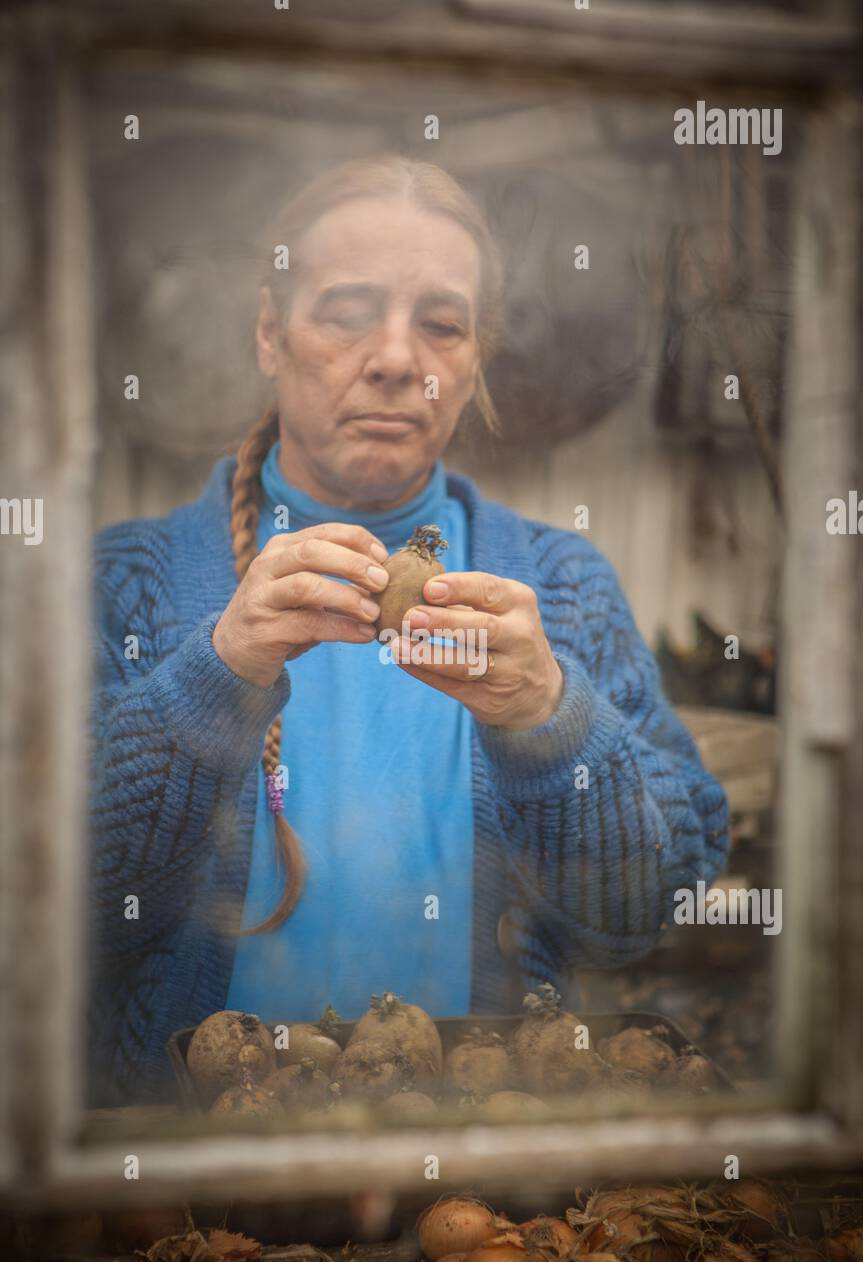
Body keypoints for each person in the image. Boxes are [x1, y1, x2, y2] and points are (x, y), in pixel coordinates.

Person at [88, 154, 729, 1105]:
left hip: (478, 1186)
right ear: (270, 334)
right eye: (346, 311)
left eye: (442, 322)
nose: (396, 359)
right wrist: (214, 677)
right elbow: (57, 909)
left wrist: (552, 720)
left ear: (475, 360)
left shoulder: (562, 585)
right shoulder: (129, 582)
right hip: (190, 1189)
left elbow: (635, 916)